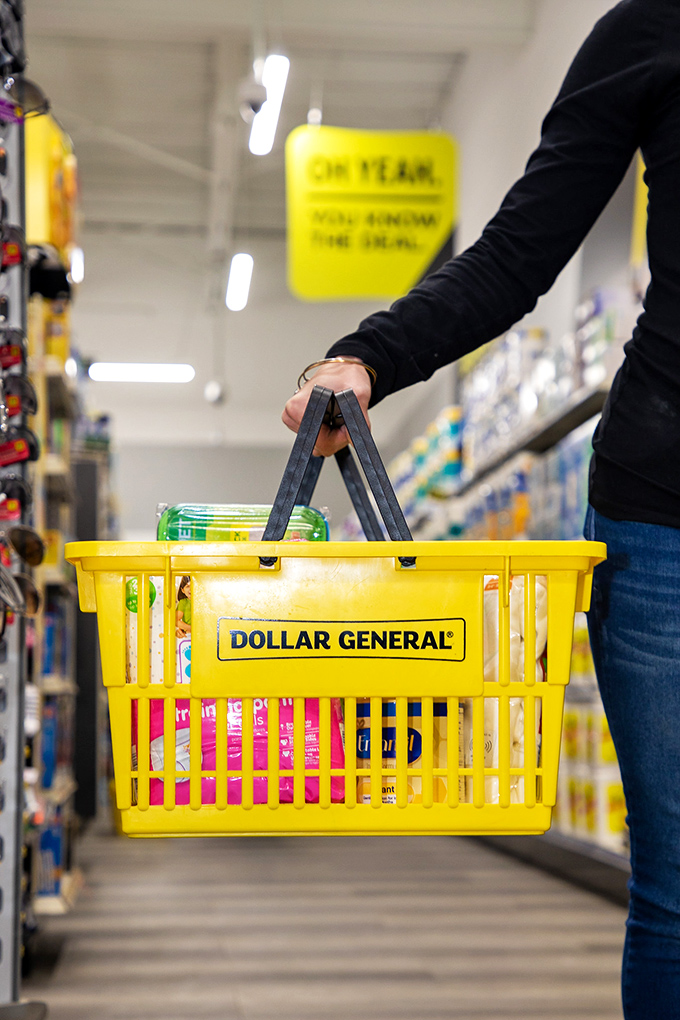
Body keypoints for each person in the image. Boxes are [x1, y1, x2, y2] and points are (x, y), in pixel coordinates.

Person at [281, 1, 680, 1016]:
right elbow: (516, 251)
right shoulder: (650, 28)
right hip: (664, 517)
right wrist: (369, 357)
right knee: (677, 890)